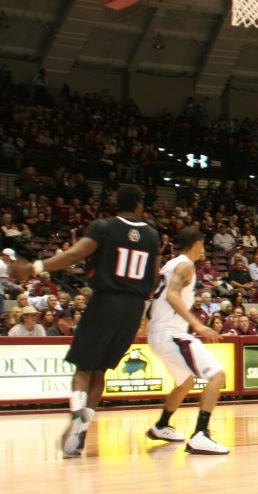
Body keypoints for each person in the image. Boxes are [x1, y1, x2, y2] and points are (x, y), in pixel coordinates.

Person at [9, 185, 160, 458]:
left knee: (83, 369)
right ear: (139, 206)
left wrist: (36, 266)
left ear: (117, 204)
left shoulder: (104, 227)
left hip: (106, 301)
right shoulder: (152, 236)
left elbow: (75, 254)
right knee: (101, 372)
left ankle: (77, 416)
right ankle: (82, 431)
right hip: (133, 308)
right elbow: (154, 280)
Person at [145, 227, 228, 455]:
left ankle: (161, 425)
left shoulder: (169, 265)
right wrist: (198, 325)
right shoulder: (185, 265)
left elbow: (154, 305)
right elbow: (172, 296)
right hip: (171, 333)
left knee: (186, 383)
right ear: (197, 244)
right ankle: (200, 434)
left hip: (159, 333)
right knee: (217, 375)